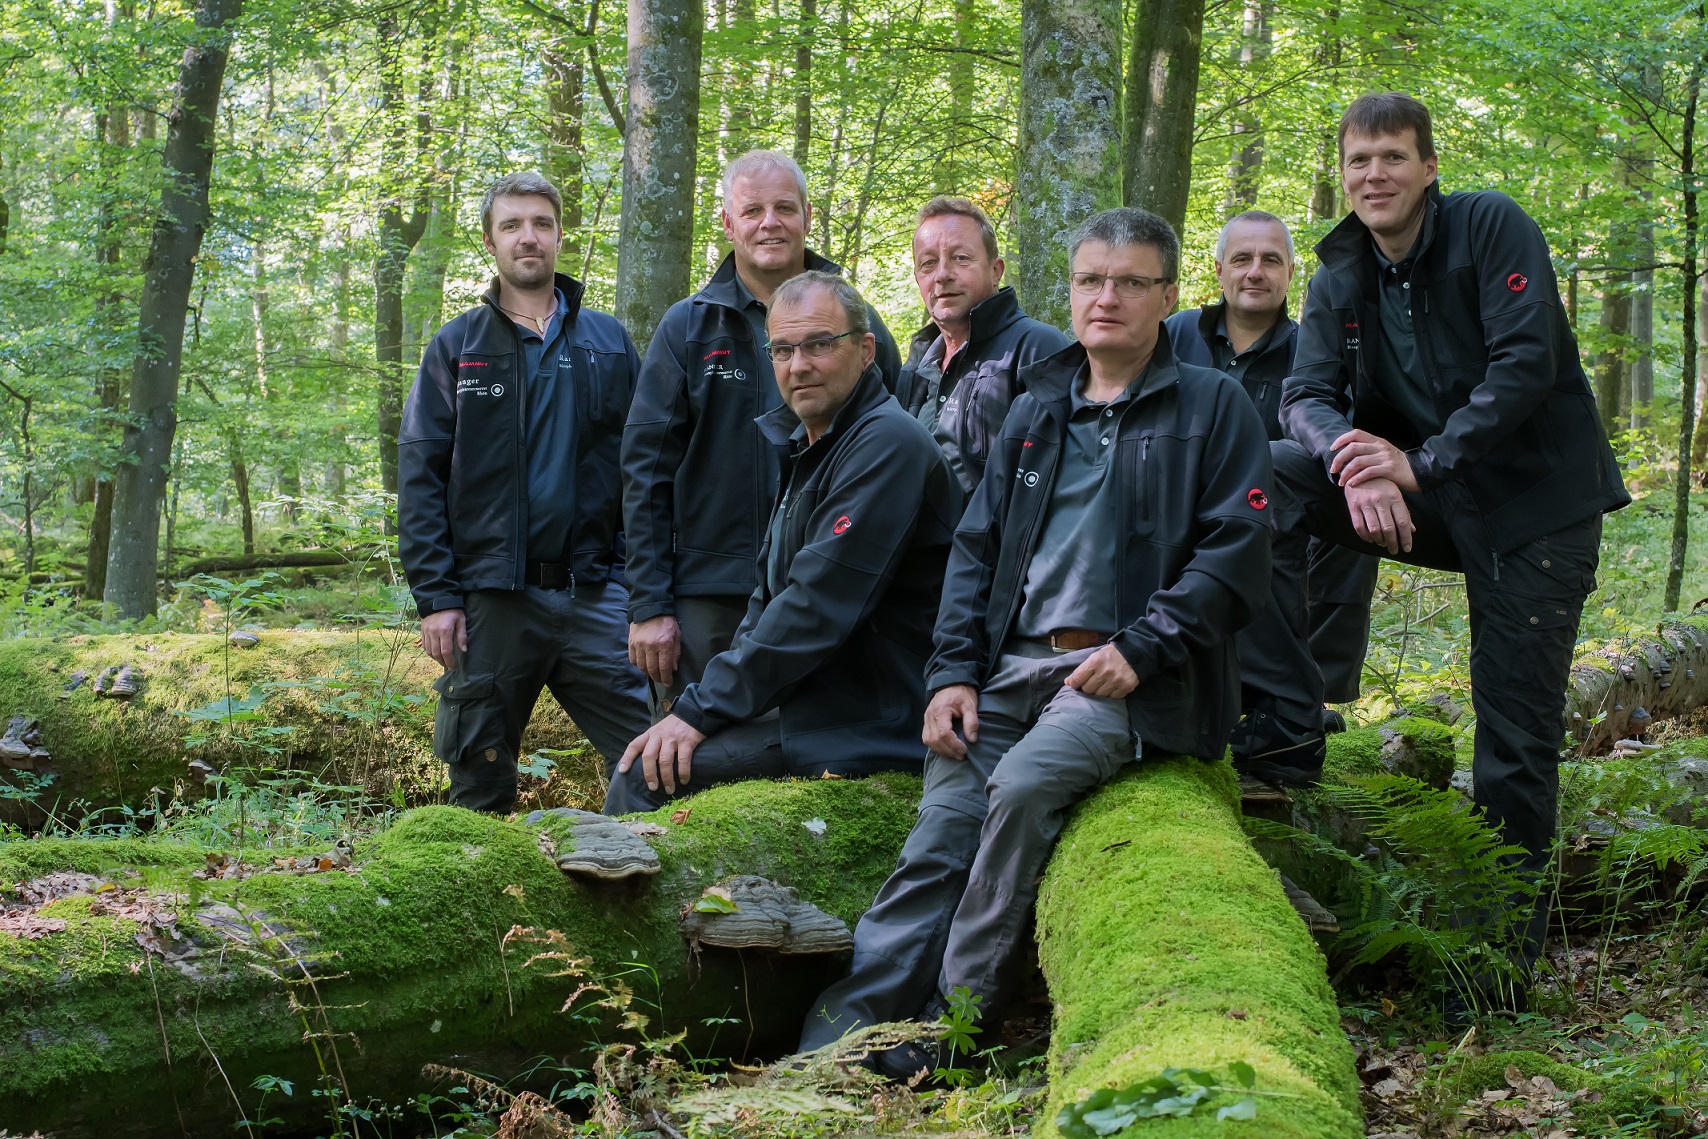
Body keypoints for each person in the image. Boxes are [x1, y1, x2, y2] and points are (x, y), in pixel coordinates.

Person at [802, 208, 1275, 1070]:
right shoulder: (1037, 407)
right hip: (1003, 670)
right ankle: (841, 1040)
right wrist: (951, 675)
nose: (1108, 298)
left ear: (1167, 297)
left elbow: (1236, 558)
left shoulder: (1214, 405)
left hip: (1118, 676)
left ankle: (952, 1026)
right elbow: (975, 551)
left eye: (1131, 282)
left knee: (1018, 789)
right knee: (938, 833)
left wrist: (1141, 648)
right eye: (1092, 280)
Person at [1267, 93, 1629, 982]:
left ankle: (1500, 956)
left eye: (1393, 157)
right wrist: (1358, 466)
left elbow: (1527, 363)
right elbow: (1303, 398)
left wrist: (1420, 463)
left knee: (1512, 731)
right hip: (1424, 490)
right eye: (1358, 161)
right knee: (1273, 471)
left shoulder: (1490, 228)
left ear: (1429, 168)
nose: (1374, 175)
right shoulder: (1340, 273)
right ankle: (1281, 718)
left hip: (1534, 511)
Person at [606, 271, 959, 814]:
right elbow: (767, 600)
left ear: (866, 350)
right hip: (812, 701)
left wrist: (701, 711)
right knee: (652, 750)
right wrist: (708, 706)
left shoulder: (886, 444)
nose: (799, 365)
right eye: (784, 349)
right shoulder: (809, 443)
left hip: (870, 716)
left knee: (645, 777)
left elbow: (814, 608)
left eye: (820, 344)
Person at [398, 172, 652, 814]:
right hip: (492, 599)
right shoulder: (459, 346)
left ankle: (632, 887)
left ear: (560, 234)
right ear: (490, 241)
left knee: (653, 760)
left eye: (541, 223)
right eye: (511, 225)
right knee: (479, 775)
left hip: (595, 594)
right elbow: (420, 475)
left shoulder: (608, 341)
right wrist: (437, 598)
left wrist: (637, 585)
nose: (528, 237)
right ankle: (490, 910)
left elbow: (645, 467)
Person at [622, 151, 903, 720]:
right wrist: (649, 604)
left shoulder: (857, 325)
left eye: (784, 208)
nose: (769, 223)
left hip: (831, 589)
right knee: (692, 757)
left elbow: (896, 450)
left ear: (806, 217)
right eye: (752, 210)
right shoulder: (688, 328)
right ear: (729, 223)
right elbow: (644, 470)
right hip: (711, 594)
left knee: (817, 761)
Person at [1165, 211, 1378, 774]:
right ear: (1219, 271)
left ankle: (1297, 696)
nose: (1255, 272)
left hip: (1272, 526)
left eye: (1270, 260)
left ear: (1290, 273)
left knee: (1328, 525)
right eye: (1242, 259)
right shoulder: (1175, 335)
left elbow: (1333, 448)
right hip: (1174, 512)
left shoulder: (1316, 351)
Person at [897, 197, 1070, 495]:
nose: (942, 274)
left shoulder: (1035, 347)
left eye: (961, 258)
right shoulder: (917, 365)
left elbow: (1057, 478)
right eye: (928, 263)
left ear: (995, 271)